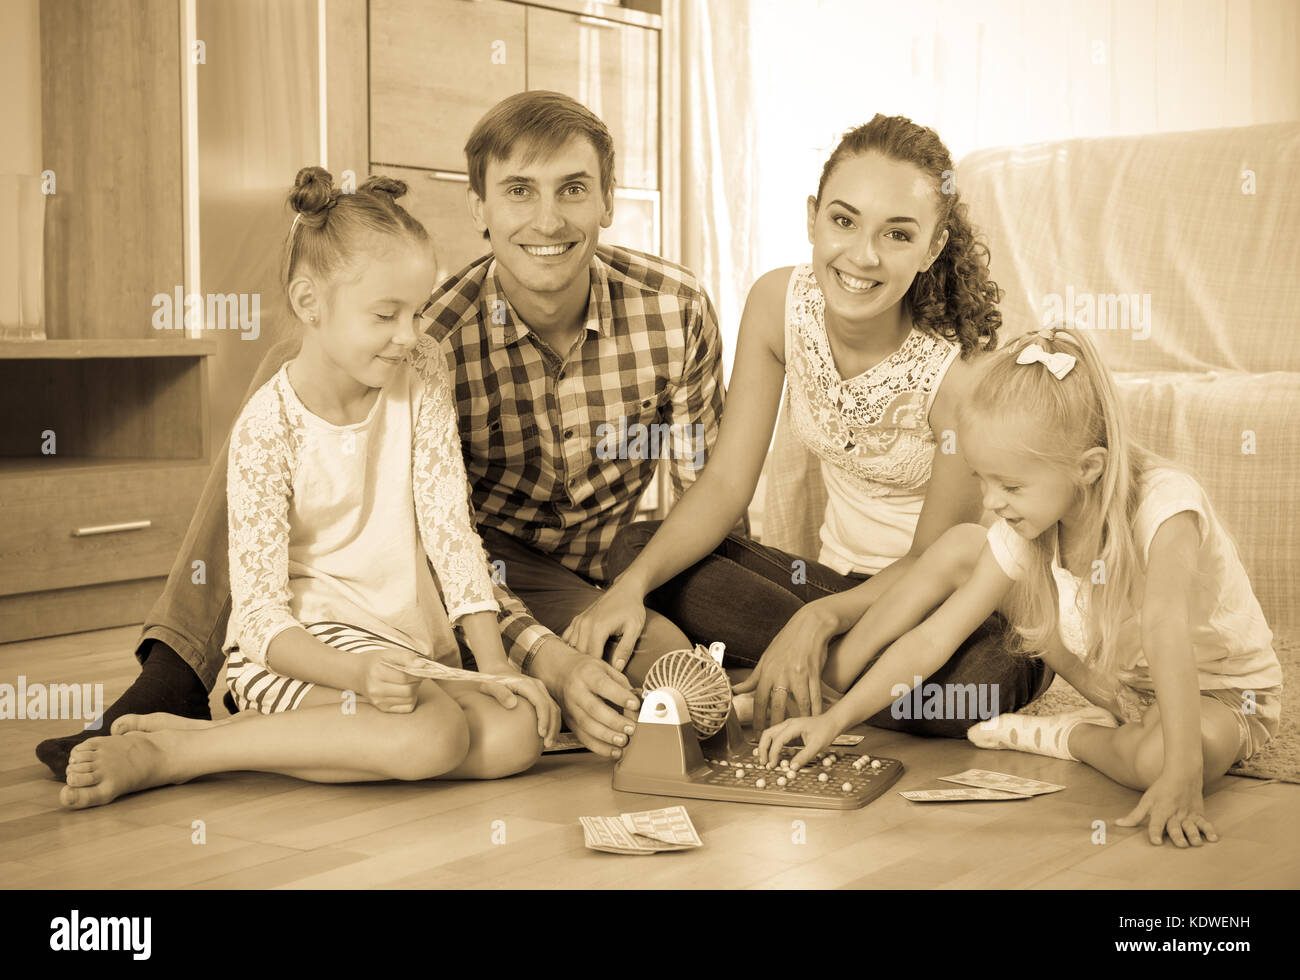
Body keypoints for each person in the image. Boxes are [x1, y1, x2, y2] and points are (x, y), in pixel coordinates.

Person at [38, 91, 723, 777]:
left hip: (563, 579)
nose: (548, 218)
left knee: (547, 724)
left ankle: (298, 731)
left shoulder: (663, 308)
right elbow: (450, 542)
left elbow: (708, 493)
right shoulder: (435, 337)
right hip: (447, 588)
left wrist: (548, 640)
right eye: (519, 191)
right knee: (297, 373)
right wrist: (537, 656)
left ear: (608, 198)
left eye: (573, 189)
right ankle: (178, 703)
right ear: (478, 209)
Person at [59, 170, 561, 809]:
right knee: (433, 735)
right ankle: (180, 752)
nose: (409, 335)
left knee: (517, 733)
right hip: (307, 652)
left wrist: (493, 663)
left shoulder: (423, 367)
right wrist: (355, 674)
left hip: (400, 650)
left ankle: (274, 741)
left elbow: (449, 530)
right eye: (386, 315)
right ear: (309, 302)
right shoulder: (267, 427)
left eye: (417, 311)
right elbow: (260, 617)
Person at [565, 114, 1046, 734]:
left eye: (897, 235)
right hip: (824, 585)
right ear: (813, 216)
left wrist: (816, 624)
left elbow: (932, 563)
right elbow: (726, 484)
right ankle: (830, 682)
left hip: (947, 607)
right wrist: (631, 588)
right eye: (844, 221)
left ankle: (795, 677)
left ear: (932, 247)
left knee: (992, 675)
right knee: (636, 552)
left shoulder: (959, 374)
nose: (862, 256)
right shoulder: (776, 304)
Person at [758, 328, 1283, 847]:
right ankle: (832, 679)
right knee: (968, 546)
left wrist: (1181, 774)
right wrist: (834, 720)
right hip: (1127, 687)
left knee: (1164, 760)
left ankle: (1066, 736)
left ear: (1088, 468)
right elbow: (931, 640)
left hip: (1227, 693)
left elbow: (1164, 625)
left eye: (1009, 486)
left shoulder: (1166, 505)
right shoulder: (1027, 524)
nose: (993, 502)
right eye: (983, 479)